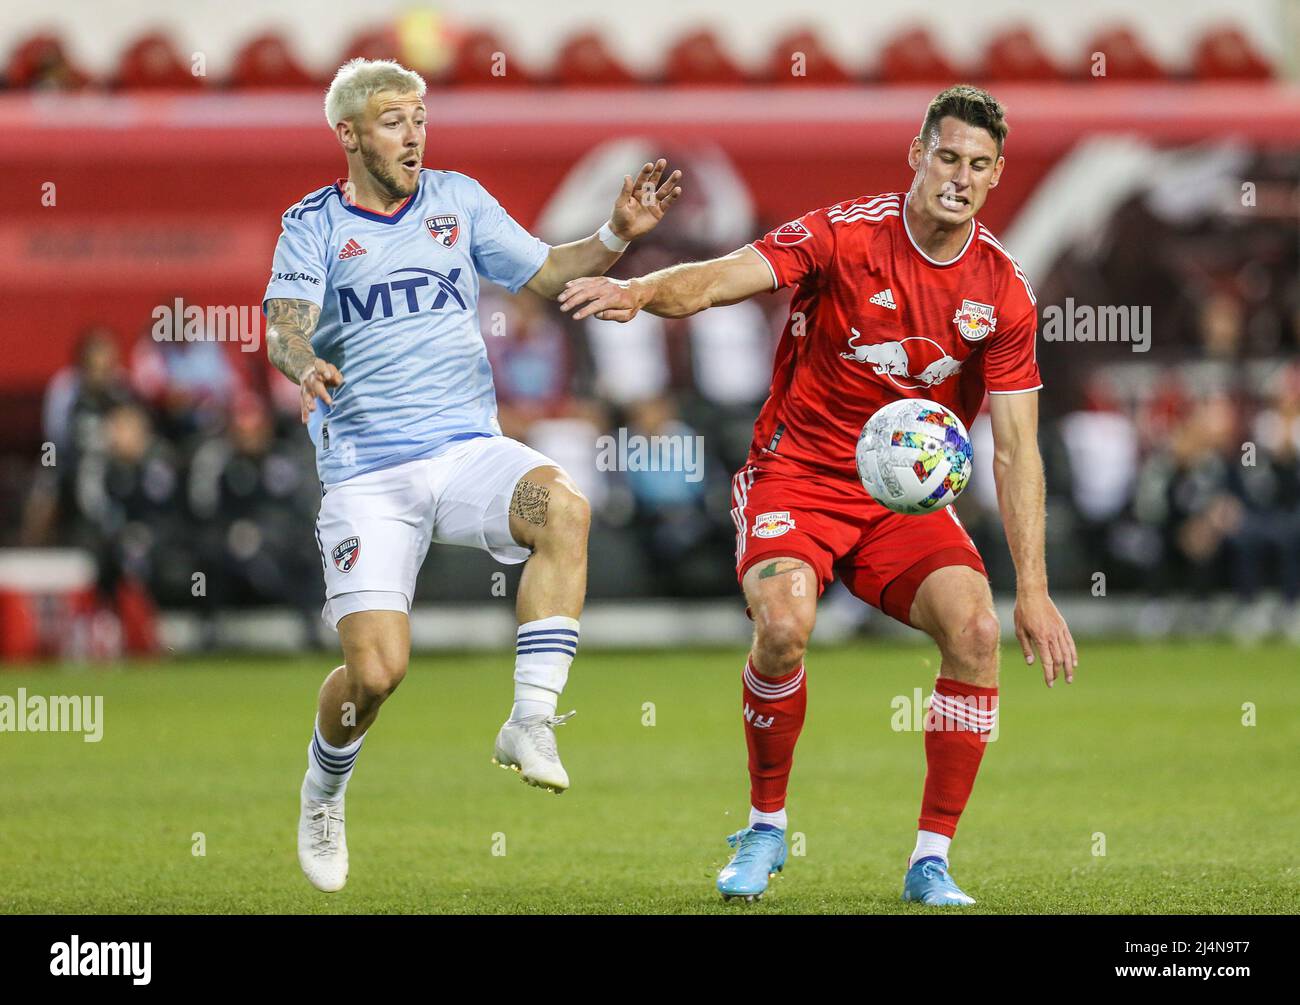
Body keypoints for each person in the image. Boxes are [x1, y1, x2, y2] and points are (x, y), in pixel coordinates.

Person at [560, 84, 1077, 906]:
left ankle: (931, 860)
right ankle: (766, 826)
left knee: (976, 631)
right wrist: (640, 294)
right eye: (947, 156)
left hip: (902, 504)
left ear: (996, 175)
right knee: (784, 627)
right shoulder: (843, 235)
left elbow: (1016, 447)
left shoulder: (1002, 292)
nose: (959, 177)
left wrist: (1037, 591)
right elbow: (728, 277)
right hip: (797, 475)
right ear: (917, 155)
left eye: (978, 165)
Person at [262, 58, 681, 893]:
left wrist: (616, 234)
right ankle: (324, 787)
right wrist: (304, 365)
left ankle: (528, 720)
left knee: (564, 507)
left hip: (465, 451)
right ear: (348, 133)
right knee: (377, 673)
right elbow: (284, 328)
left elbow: (547, 272)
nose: (412, 132)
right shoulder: (311, 224)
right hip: (368, 474)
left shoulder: (457, 200)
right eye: (391, 119)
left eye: (418, 116)